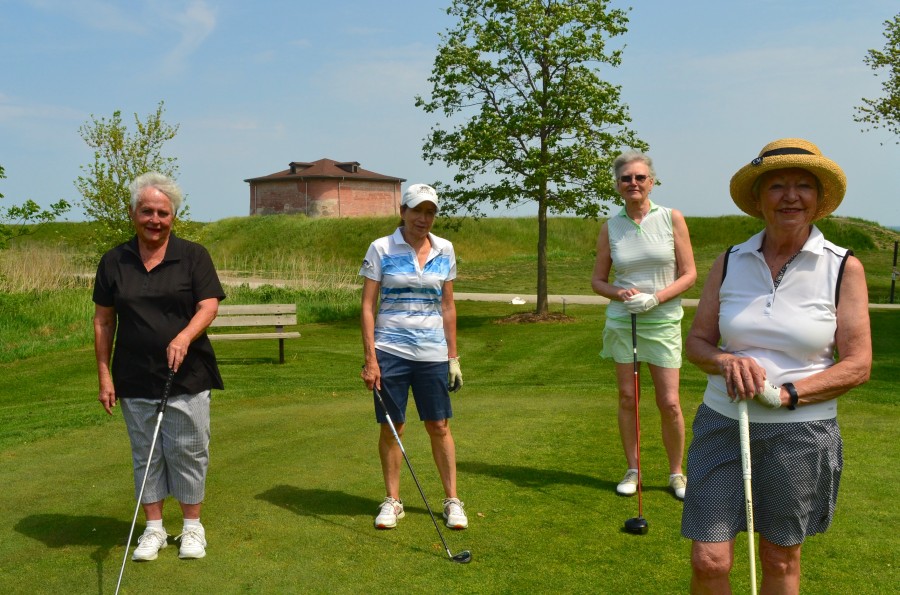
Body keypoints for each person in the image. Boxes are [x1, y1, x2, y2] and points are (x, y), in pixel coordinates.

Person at [682, 138, 872, 593]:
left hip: (801, 433)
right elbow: (698, 342)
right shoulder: (730, 260)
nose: (791, 196)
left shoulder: (843, 267)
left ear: (819, 199)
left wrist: (787, 394)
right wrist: (726, 360)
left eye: (804, 185)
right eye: (777, 186)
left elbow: (858, 364)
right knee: (709, 559)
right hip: (723, 424)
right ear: (759, 199)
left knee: (780, 558)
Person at [93, 172, 225, 562]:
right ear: (133, 213)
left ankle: (191, 528)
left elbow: (209, 305)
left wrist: (183, 337)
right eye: (147, 211)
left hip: (188, 372)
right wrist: (104, 374)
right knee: (146, 453)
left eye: (163, 213)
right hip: (133, 373)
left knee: (188, 450)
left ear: (173, 217)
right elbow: (104, 320)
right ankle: (152, 529)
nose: (155, 219)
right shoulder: (115, 260)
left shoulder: (193, 255)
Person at [359, 183, 467, 531]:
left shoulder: (445, 249)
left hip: (433, 352)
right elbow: (367, 306)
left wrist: (453, 356)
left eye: (430, 212)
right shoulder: (381, 247)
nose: (423, 218)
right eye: (417, 211)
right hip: (390, 351)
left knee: (439, 425)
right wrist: (371, 359)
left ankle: (452, 500)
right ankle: (393, 500)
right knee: (394, 427)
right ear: (402, 212)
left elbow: (447, 305)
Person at [591, 150, 697, 500]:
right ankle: (633, 469)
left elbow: (690, 274)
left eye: (640, 177)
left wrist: (657, 298)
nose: (633, 183)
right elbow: (597, 281)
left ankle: (676, 473)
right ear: (618, 185)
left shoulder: (671, 218)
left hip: (663, 319)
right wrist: (619, 293)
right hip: (625, 321)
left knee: (669, 401)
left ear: (651, 182)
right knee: (627, 398)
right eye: (626, 178)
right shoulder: (611, 227)